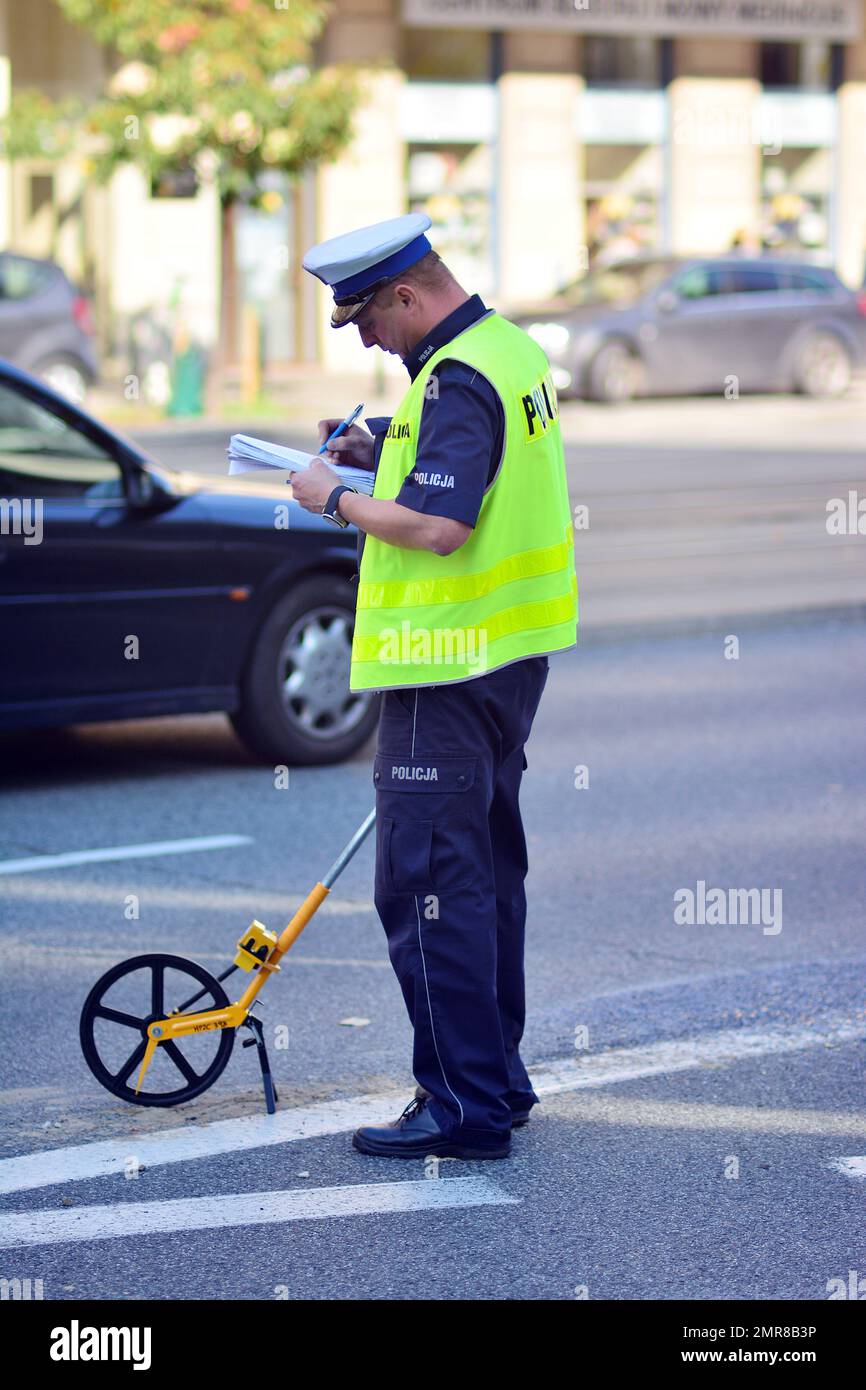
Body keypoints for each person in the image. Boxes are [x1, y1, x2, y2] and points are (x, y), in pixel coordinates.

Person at [290, 213, 577, 1159]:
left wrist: (331, 497)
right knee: (485, 876)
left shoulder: (457, 377)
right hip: (506, 660)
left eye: (368, 318)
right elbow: (474, 479)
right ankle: (496, 1080)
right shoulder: (509, 351)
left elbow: (441, 527)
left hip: (441, 667)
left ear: (408, 295)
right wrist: (383, 449)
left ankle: (461, 1107)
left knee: (429, 890)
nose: (367, 337)